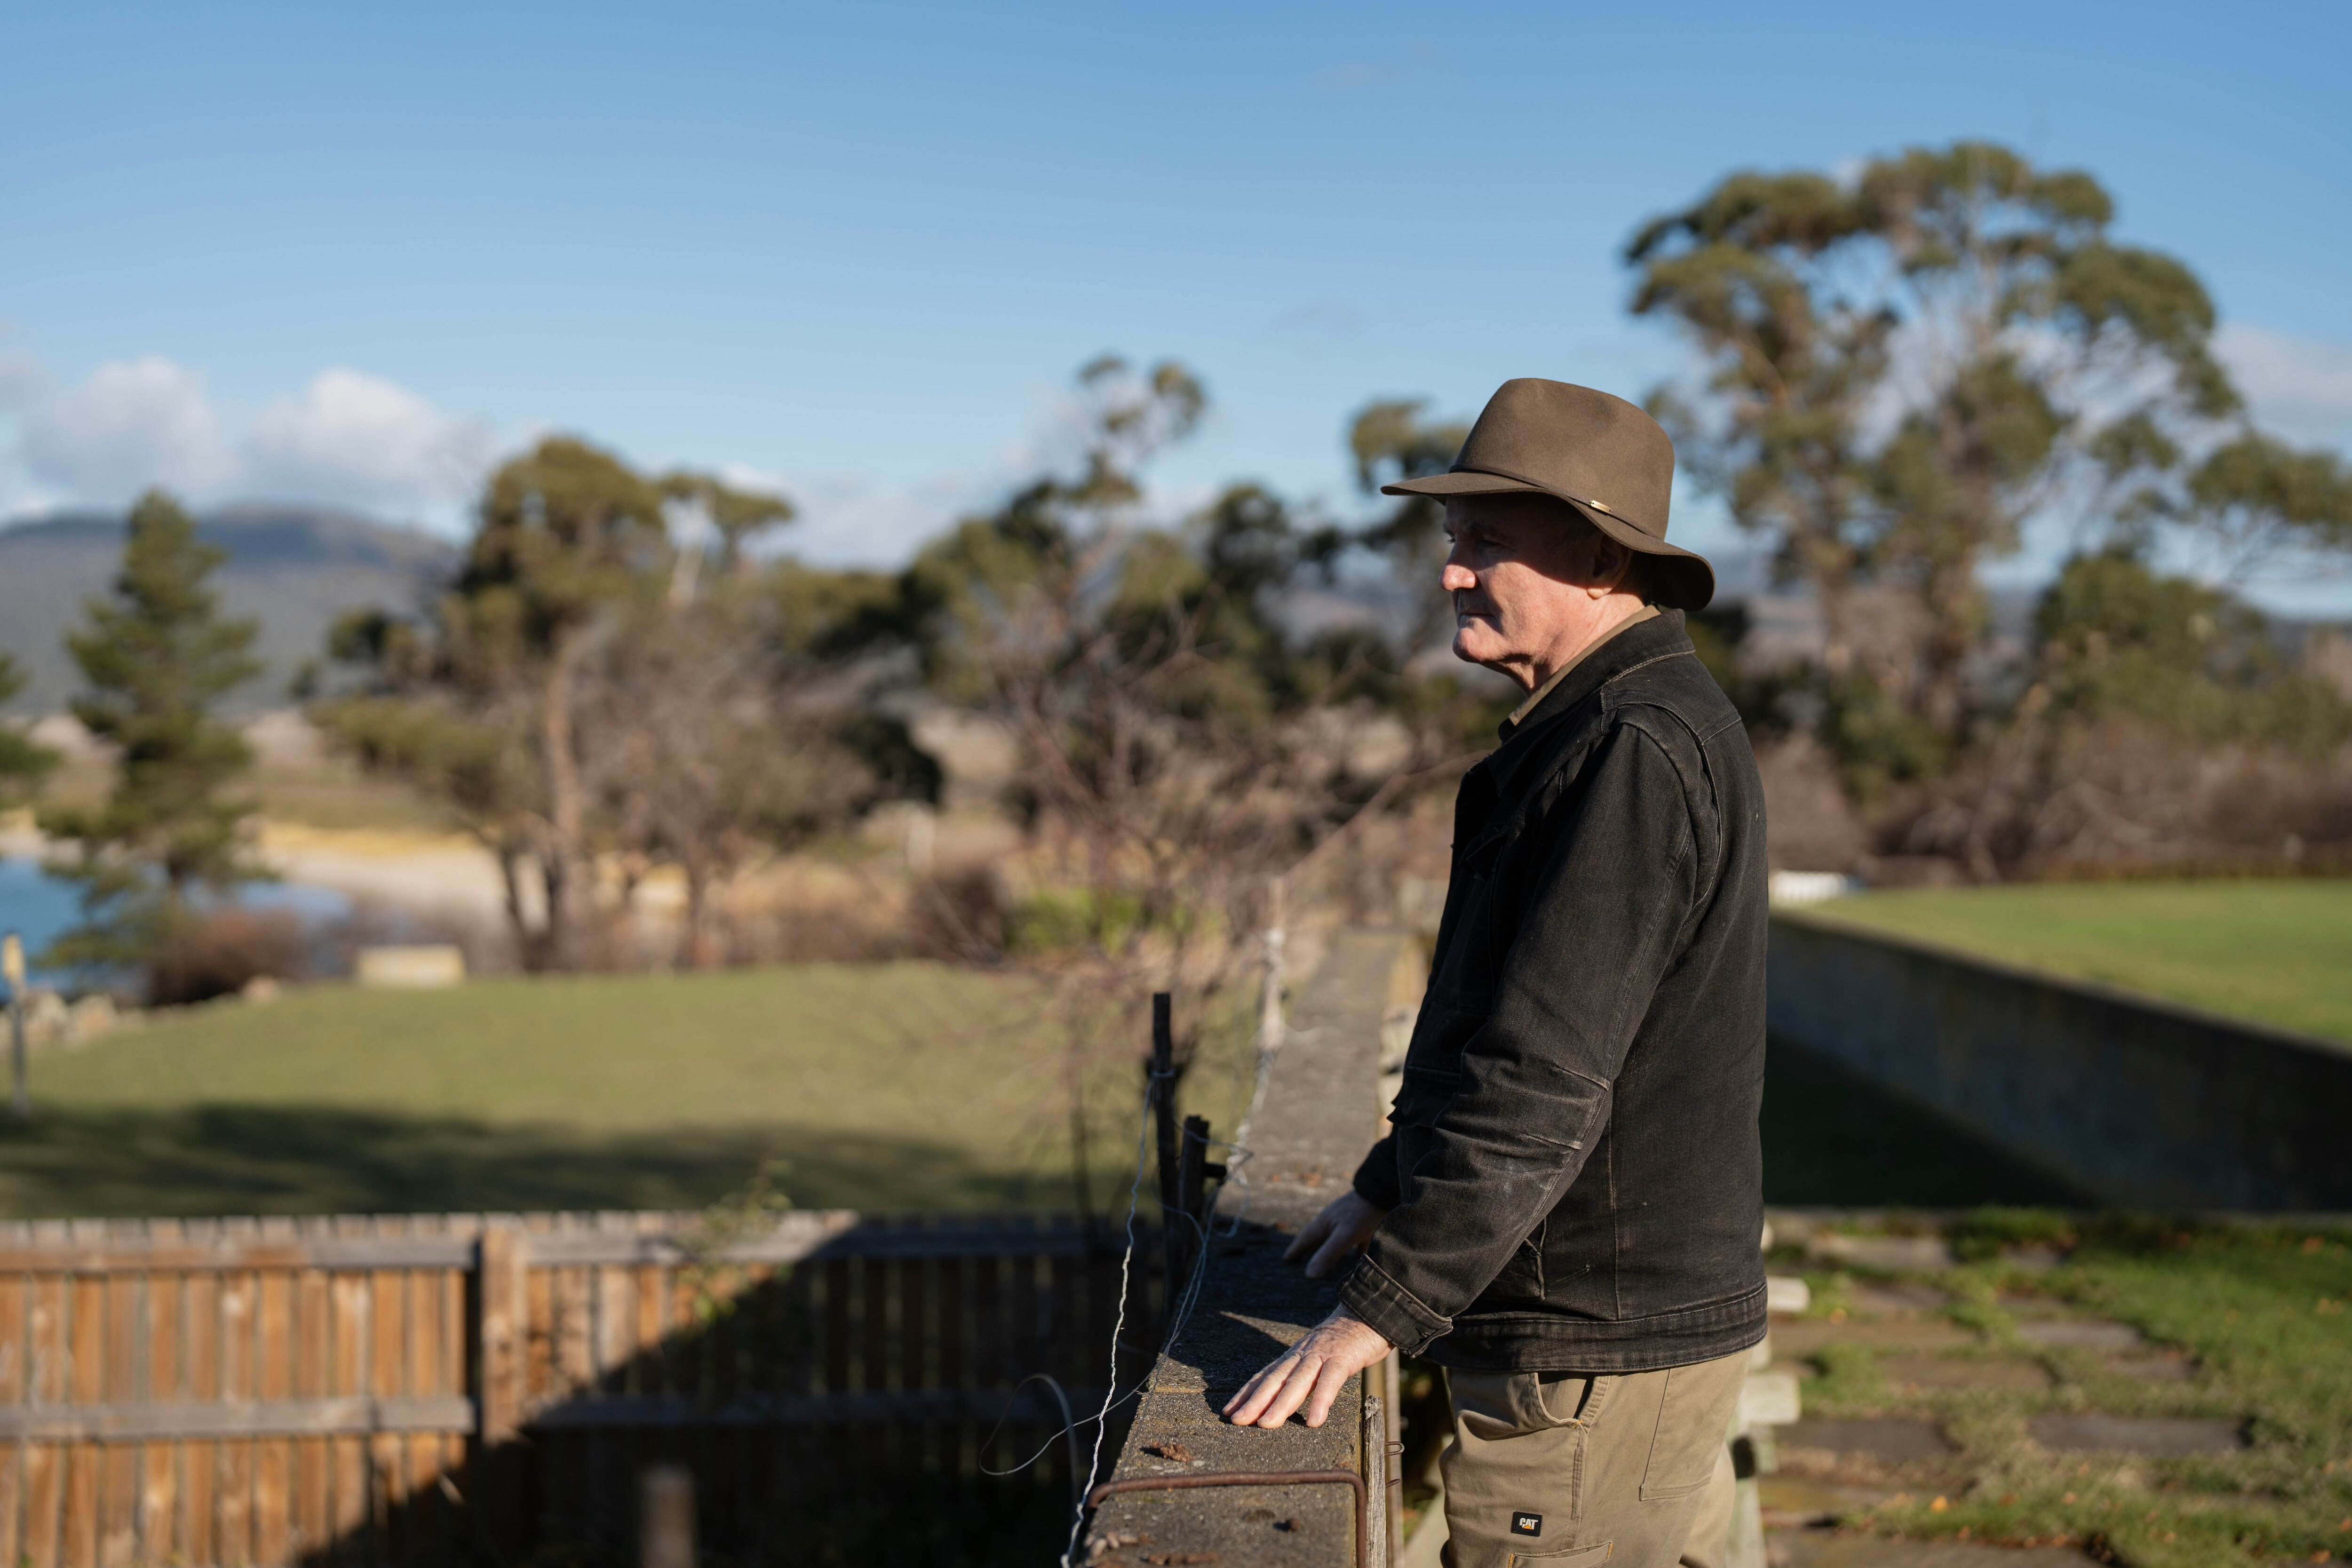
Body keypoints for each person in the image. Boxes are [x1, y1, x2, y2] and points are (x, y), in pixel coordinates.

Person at [1222, 379, 1767, 1568]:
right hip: (1626, 1336)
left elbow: (1541, 1073)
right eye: (1451, 539)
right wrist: (1384, 1180)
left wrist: (1384, 1308)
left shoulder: (1630, 748)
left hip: (1588, 1351)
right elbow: (1504, 1017)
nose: (1450, 570)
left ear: (1596, 556)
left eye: (1486, 541)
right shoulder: (1611, 727)